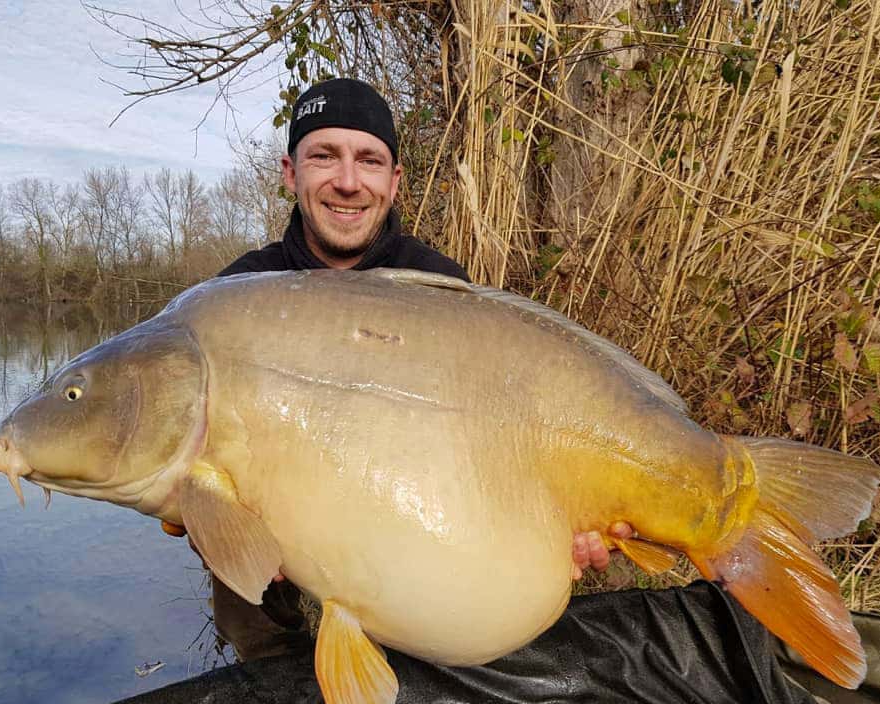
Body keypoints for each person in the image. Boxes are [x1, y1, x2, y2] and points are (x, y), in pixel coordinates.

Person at [179, 77, 616, 661]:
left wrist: (564, 520)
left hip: (406, 536)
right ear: (290, 173)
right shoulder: (235, 296)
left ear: (394, 181)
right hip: (271, 565)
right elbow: (184, 469)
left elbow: (493, 444)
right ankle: (276, 682)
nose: (348, 181)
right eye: (323, 156)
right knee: (263, 661)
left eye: (369, 160)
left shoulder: (441, 288)